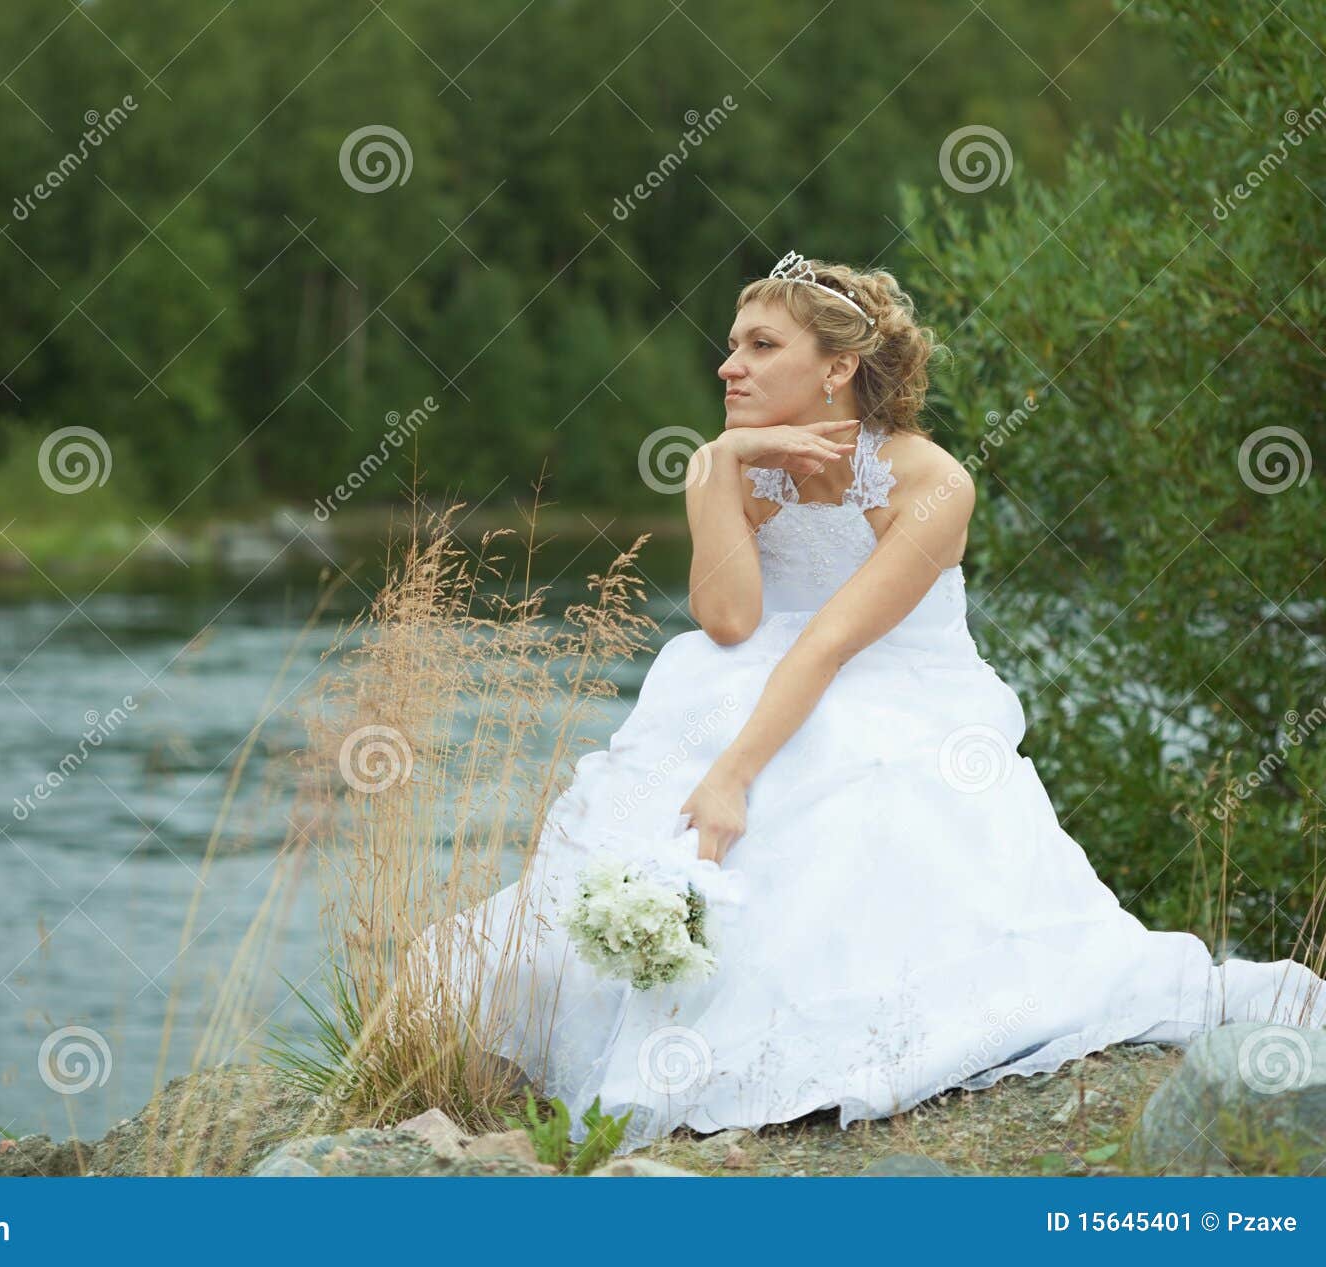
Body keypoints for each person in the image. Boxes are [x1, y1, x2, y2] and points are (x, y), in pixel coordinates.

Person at [428, 248, 1326, 1157]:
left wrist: (733, 775)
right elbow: (733, 621)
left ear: (837, 367)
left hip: (895, 689)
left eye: (759, 344)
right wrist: (719, 467)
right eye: (731, 343)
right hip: (764, 671)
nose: (726, 364)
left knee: (831, 750)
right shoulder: (731, 465)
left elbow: (829, 645)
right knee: (694, 686)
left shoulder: (932, 480)